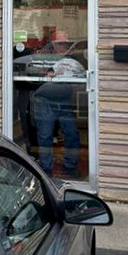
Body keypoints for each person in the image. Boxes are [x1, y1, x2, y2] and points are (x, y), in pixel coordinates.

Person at [32, 31, 85, 174]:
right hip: (44, 101)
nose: (62, 46)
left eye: (65, 44)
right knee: (45, 135)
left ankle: (70, 166)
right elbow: (33, 77)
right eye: (59, 44)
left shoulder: (75, 62)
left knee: (72, 134)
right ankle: (46, 169)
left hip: (65, 102)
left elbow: (82, 84)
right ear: (54, 46)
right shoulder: (45, 59)